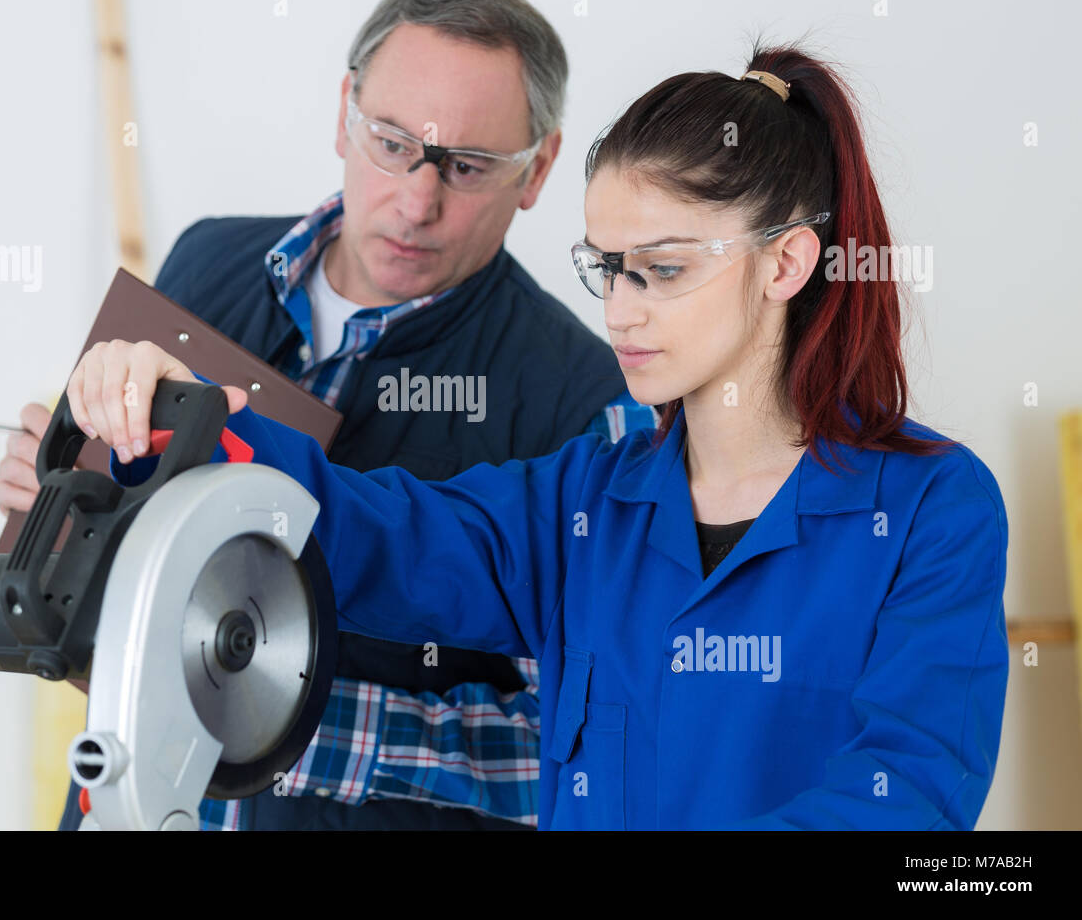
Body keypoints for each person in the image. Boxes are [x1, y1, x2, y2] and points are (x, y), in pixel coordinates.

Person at [63, 42, 1011, 829]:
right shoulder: (585, 503)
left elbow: (911, 791)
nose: (623, 314)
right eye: (611, 270)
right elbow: (374, 534)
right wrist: (203, 417)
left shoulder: (934, 510)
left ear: (787, 263)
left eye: (664, 270)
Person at [0, 0, 658, 831]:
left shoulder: (590, 403)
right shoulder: (205, 260)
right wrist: (52, 510)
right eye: (390, 142)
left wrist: (256, 716)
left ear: (539, 170)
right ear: (345, 109)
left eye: (467, 167)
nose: (418, 203)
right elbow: (123, 555)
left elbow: (579, 751)